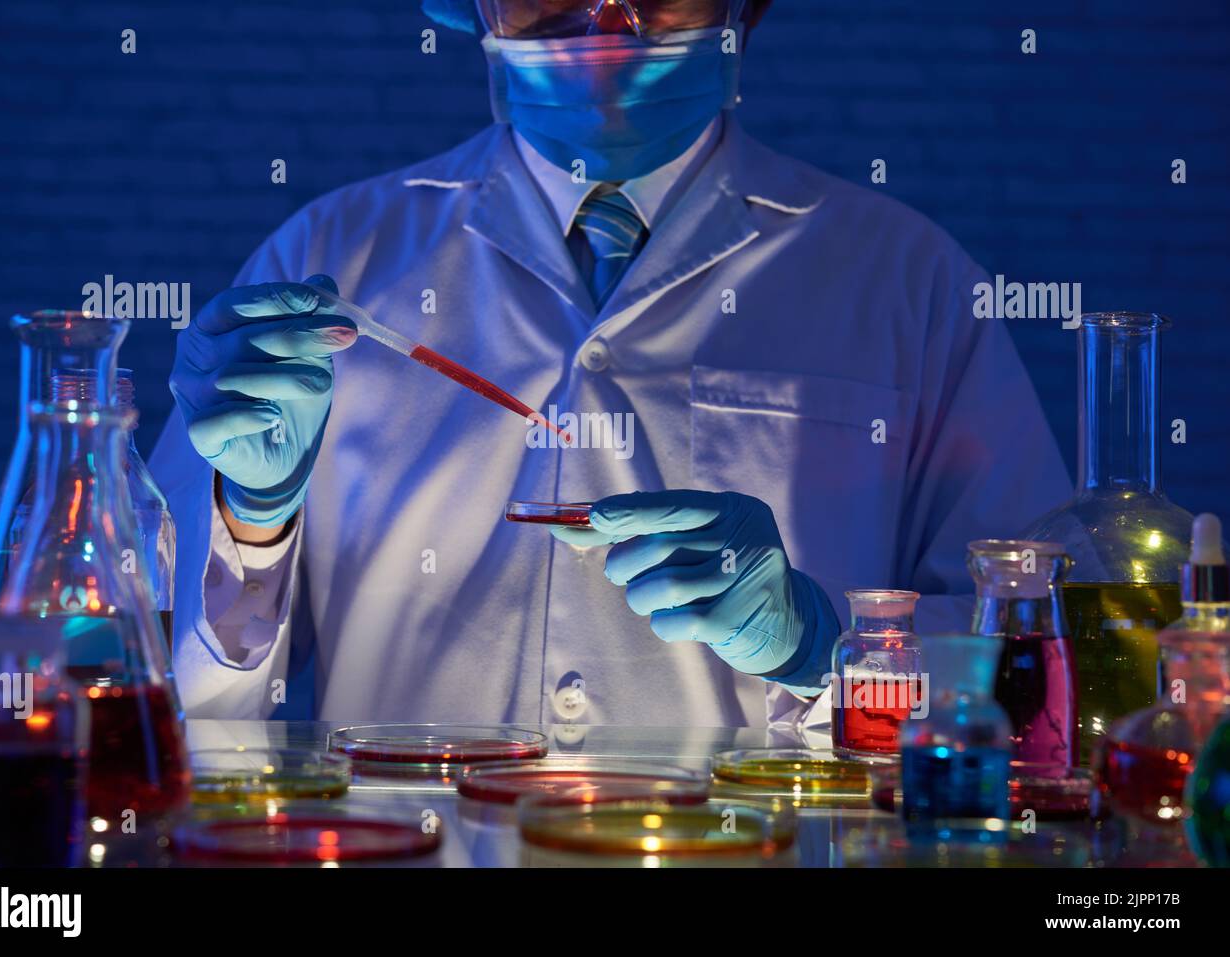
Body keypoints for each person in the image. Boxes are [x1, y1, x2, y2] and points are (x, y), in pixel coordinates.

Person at [151, 0, 1071, 726]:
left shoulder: (908, 281)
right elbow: (174, 701)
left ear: (749, 7)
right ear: (474, 6)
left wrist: (825, 650)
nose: (607, 17)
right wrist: (252, 519)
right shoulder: (334, 258)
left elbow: (1033, 660)